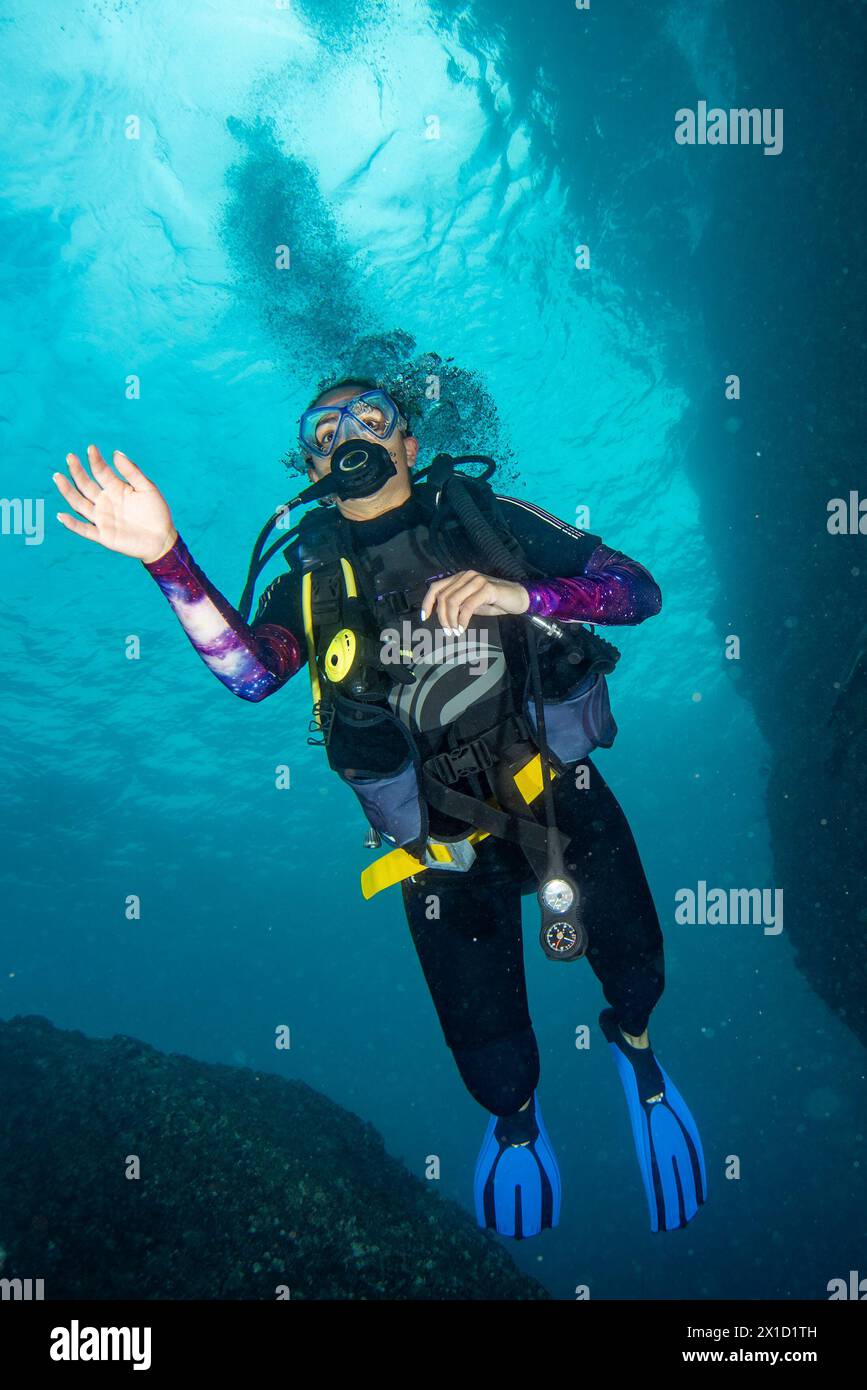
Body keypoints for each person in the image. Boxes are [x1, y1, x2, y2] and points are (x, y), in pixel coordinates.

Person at [54, 379, 706, 1239]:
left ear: (407, 443)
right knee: (495, 1067)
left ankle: (636, 1053)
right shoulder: (311, 582)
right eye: (325, 430)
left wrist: (528, 595)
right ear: (312, 463)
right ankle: (515, 1125)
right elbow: (251, 675)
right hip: (437, 852)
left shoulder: (489, 518)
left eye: (372, 419)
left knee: (638, 977)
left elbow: (638, 591)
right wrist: (165, 555)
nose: (349, 434)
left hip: (560, 798)